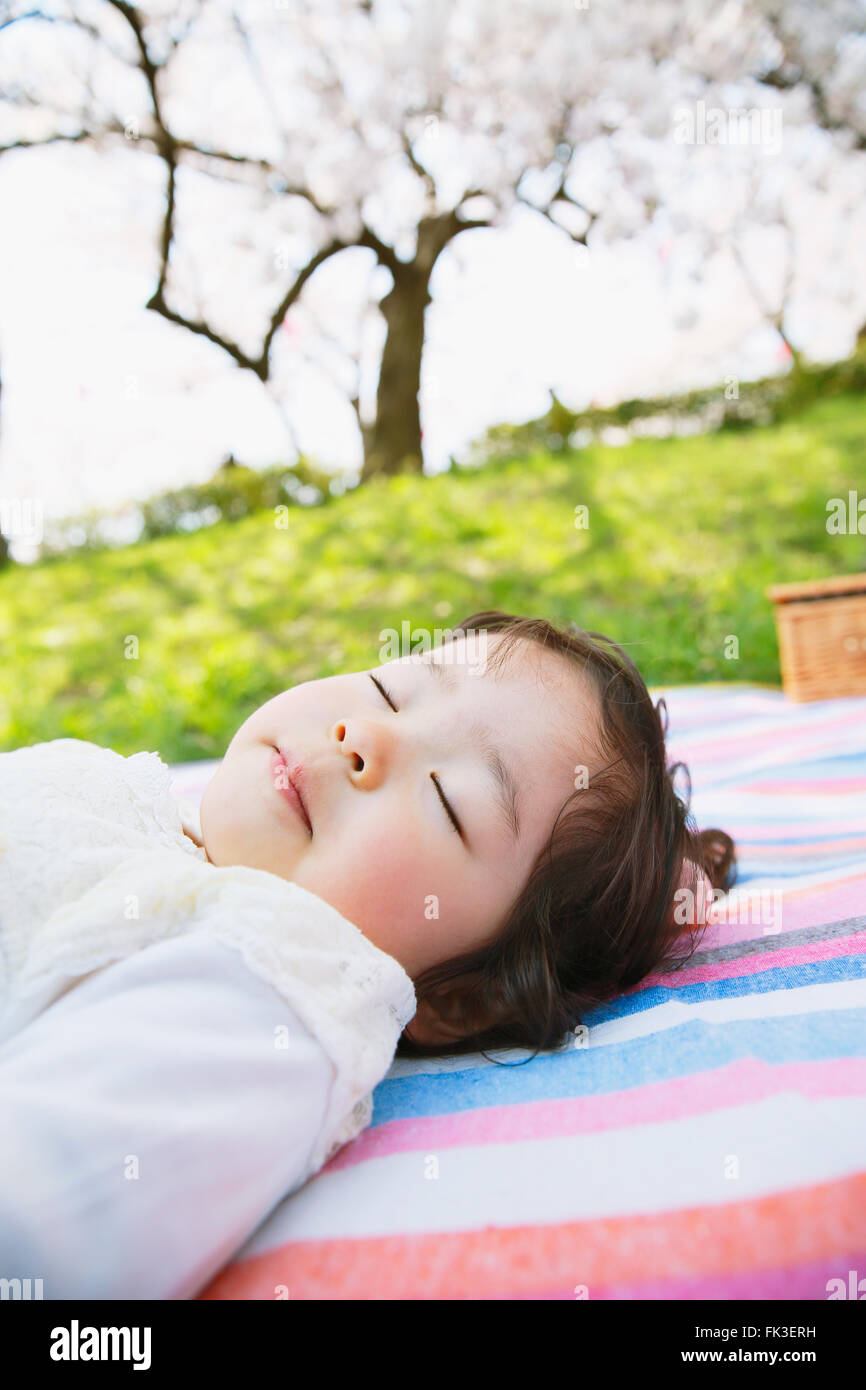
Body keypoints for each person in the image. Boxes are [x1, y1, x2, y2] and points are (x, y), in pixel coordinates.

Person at [0, 610, 734, 1296]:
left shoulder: (281, 986)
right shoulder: (164, 818)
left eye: (449, 801)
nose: (363, 734)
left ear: (464, 999)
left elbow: (47, 1220)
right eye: (392, 688)